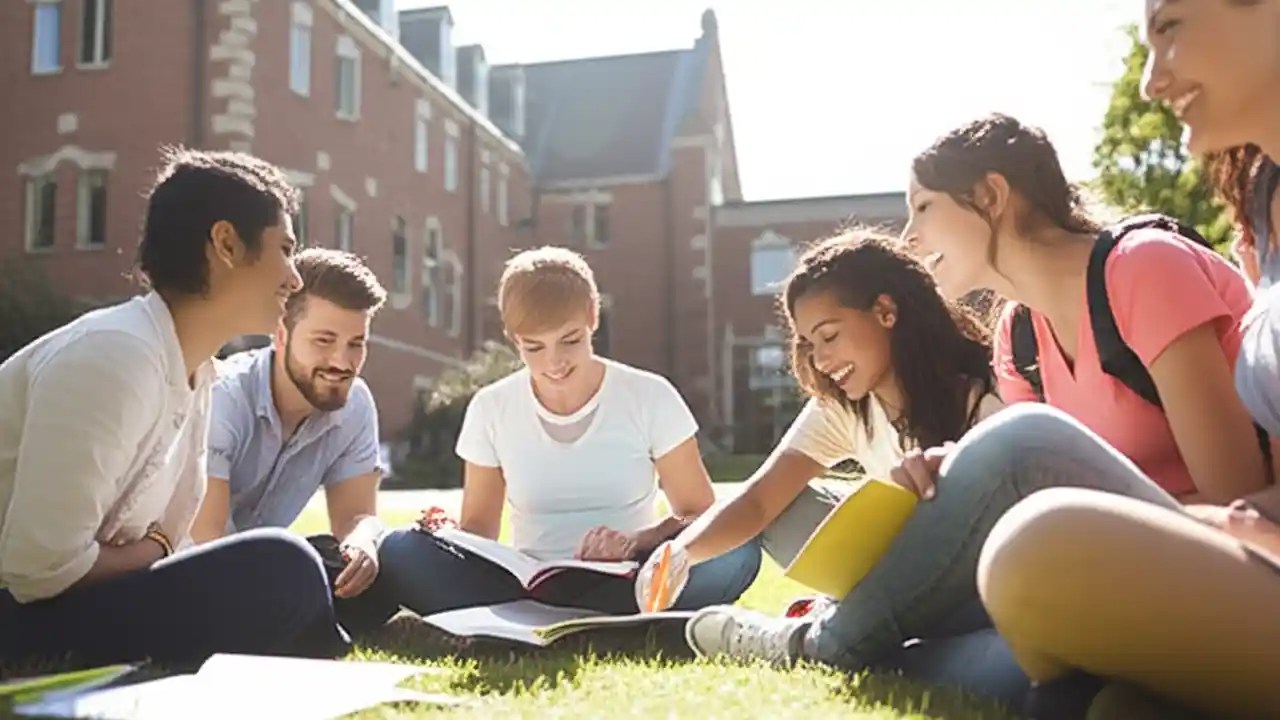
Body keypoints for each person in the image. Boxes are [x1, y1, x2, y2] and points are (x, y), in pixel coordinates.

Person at [664, 117, 1231, 704]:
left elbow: (1234, 506)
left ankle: (820, 642)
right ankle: (864, 639)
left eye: (923, 207)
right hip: (1096, 582)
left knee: (1020, 440)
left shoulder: (1142, 265)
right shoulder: (1020, 335)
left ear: (990, 197)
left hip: (1202, 573)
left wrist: (982, 468)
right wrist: (957, 476)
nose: (908, 236)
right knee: (1045, 682)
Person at [972, 4, 1280, 717]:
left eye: (1171, 27)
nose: (1149, 82)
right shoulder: (1262, 204)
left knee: (1036, 549)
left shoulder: (1143, 265)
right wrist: (1233, 520)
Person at [630, 229, 1031, 701]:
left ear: (886, 312)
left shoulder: (985, 399)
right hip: (888, 590)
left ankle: (820, 635)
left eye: (829, 336)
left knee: (1015, 674)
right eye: (808, 344)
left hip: (977, 596)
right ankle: (848, 628)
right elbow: (760, 500)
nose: (820, 361)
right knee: (786, 505)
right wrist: (682, 552)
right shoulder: (844, 405)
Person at [0, 147, 349, 668]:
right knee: (284, 565)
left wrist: (164, 551)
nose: (295, 278)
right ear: (226, 243)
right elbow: (38, 569)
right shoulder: (114, 354)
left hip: (71, 600)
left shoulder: (196, 370)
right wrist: (156, 551)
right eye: (285, 249)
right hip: (19, 611)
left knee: (317, 561)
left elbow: (173, 538)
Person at [377, 246, 761, 616]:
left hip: (633, 575)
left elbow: (700, 514)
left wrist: (634, 543)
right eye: (534, 347)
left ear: (593, 317)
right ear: (513, 337)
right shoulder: (491, 408)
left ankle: (615, 608)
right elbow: (480, 531)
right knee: (398, 549)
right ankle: (550, 613)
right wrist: (447, 534)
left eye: (570, 340)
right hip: (524, 585)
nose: (554, 362)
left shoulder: (650, 396)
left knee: (736, 549)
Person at [190, 247, 399, 636]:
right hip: (188, 569)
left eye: (356, 344)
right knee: (292, 562)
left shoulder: (355, 404)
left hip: (270, 567)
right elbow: (210, 540)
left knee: (393, 561)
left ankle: (307, 608)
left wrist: (363, 545)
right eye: (324, 340)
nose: (342, 362)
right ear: (281, 335)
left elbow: (356, 516)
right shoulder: (223, 397)